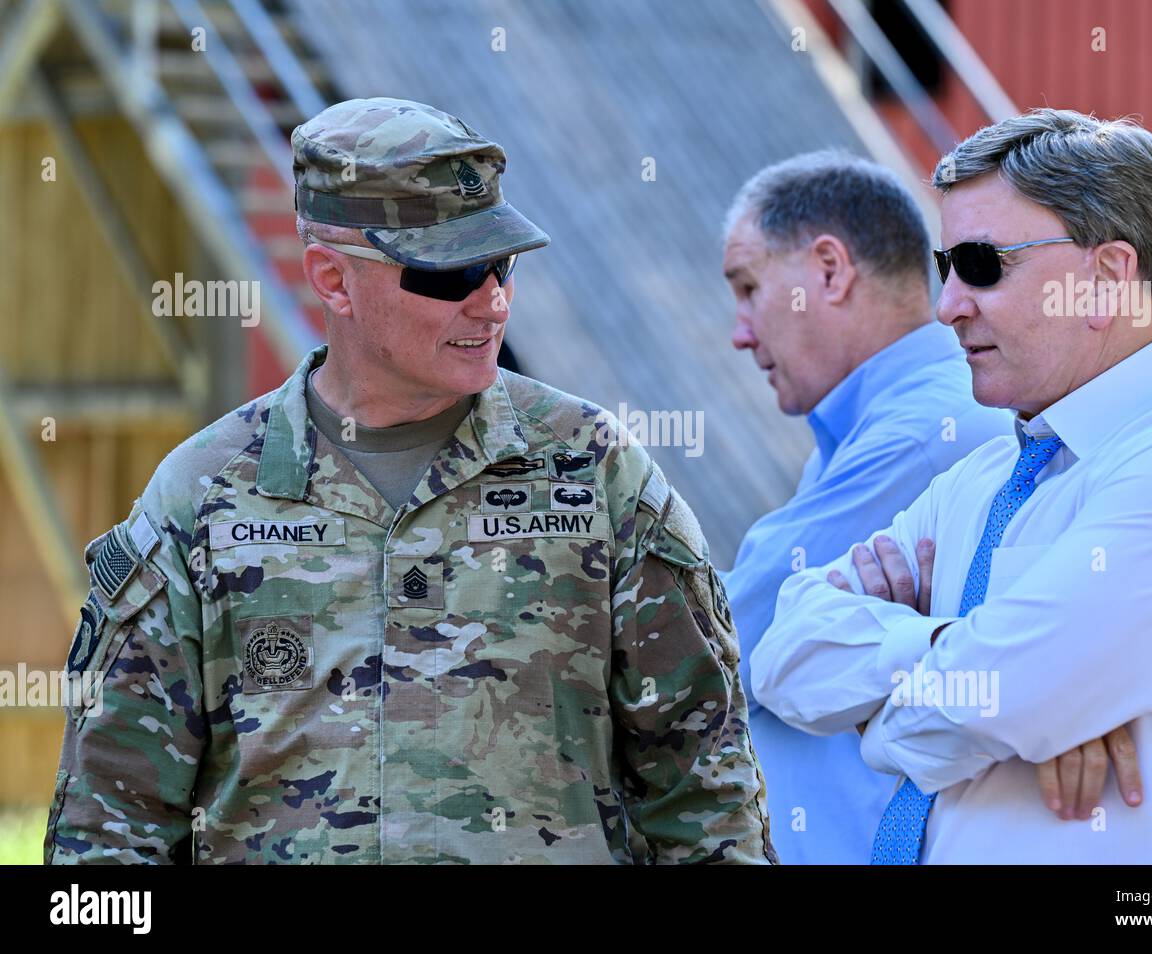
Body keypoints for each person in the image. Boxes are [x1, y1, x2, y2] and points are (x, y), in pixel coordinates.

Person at [45, 97, 776, 865]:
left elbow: (705, 794)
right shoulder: (201, 498)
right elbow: (107, 833)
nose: (491, 300)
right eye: (450, 271)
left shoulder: (594, 472)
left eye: (502, 263)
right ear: (333, 278)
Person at [753, 108, 1152, 864]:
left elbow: (1007, 698)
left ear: (1108, 276)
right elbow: (783, 654)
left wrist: (888, 706)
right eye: (946, 267)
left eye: (981, 263)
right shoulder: (982, 477)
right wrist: (959, 654)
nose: (948, 306)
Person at [719, 151, 1008, 863]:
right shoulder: (869, 431)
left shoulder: (918, 440)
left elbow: (709, 651)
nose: (740, 331)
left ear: (828, 269)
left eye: (750, 287)